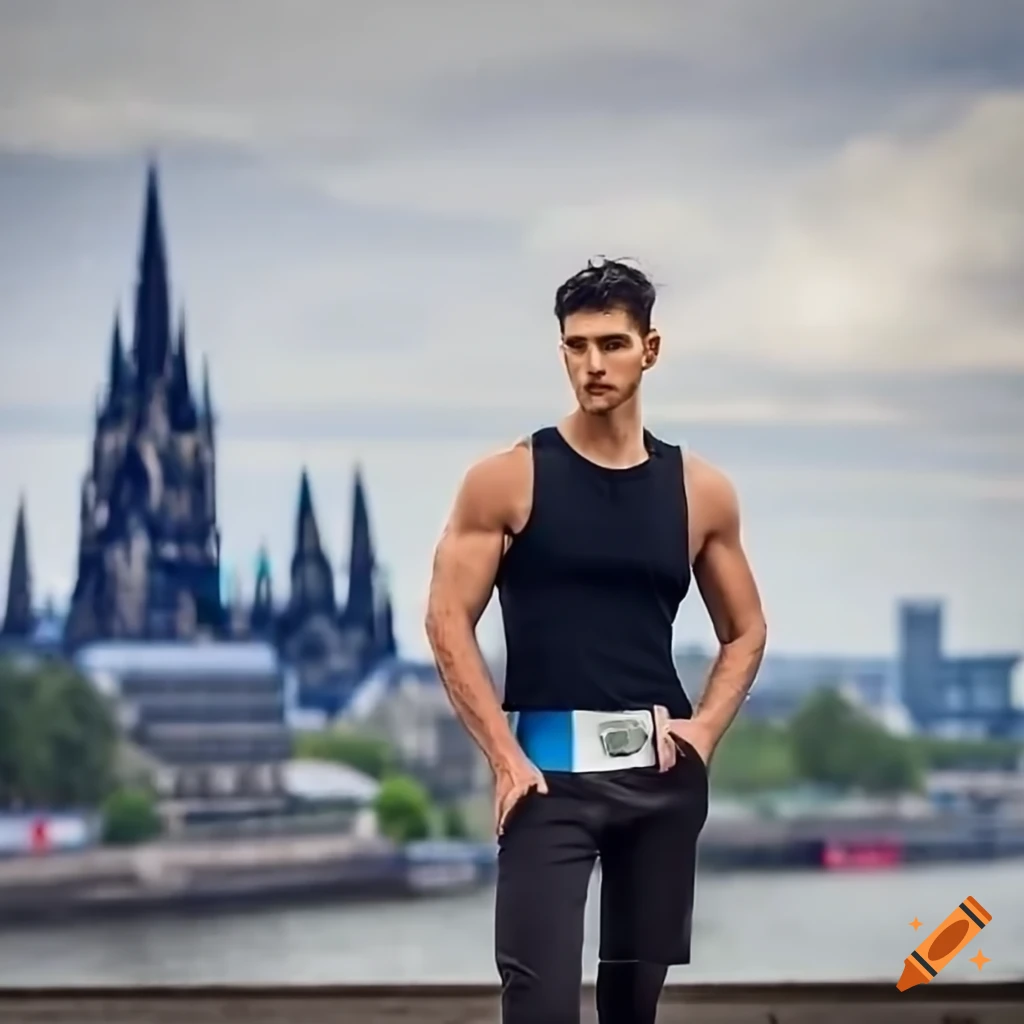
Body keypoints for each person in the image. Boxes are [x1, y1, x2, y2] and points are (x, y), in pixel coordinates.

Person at [424, 258, 767, 1024]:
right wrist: (504, 759)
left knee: (630, 1013)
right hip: (546, 780)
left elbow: (745, 630)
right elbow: (447, 620)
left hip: (660, 778)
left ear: (650, 348)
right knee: (539, 1005)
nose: (593, 364)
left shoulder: (700, 491)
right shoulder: (507, 481)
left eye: (611, 344)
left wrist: (706, 731)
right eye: (576, 346)